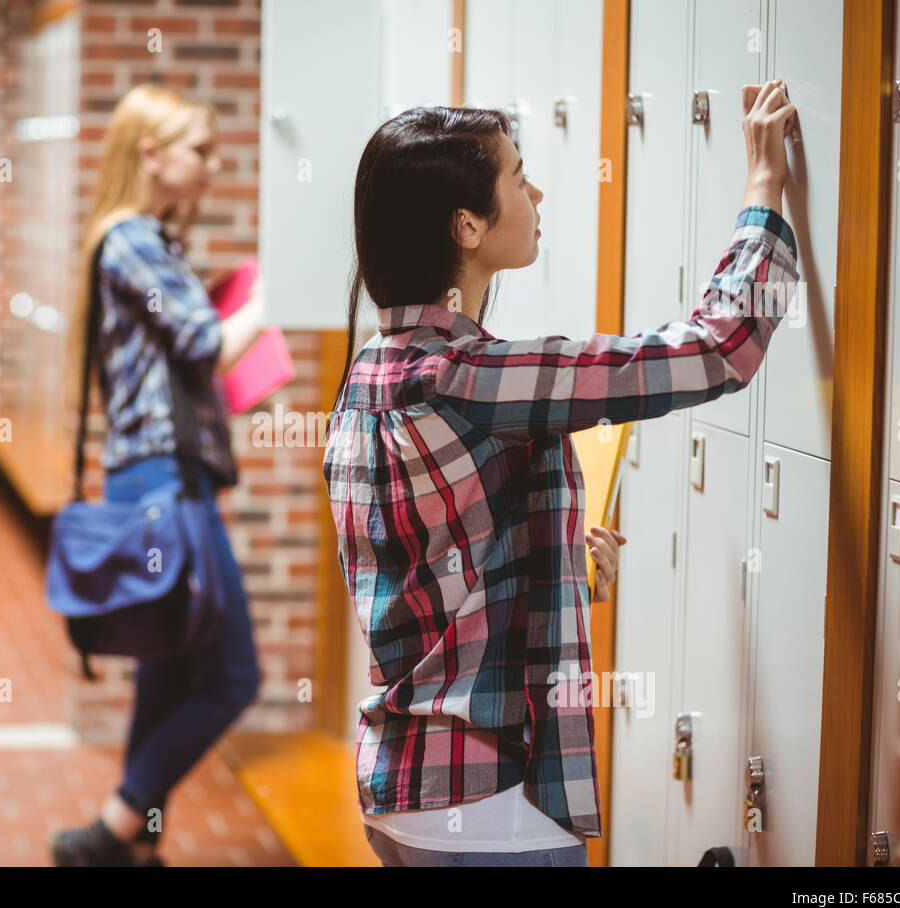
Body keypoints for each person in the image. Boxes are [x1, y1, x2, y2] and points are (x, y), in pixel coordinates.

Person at [322, 80, 798, 866]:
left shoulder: (368, 373)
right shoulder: (471, 378)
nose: (536, 191)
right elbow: (720, 350)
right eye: (517, 176)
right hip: (490, 812)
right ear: (467, 225)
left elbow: (426, 567)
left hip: (402, 796)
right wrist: (762, 191)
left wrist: (559, 568)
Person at [51, 84, 266, 867]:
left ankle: (135, 848)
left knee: (168, 670)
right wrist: (280, 288)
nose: (214, 165)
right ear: (150, 154)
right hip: (163, 485)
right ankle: (108, 831)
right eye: (200, 151)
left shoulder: (145, 241)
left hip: (159, 479)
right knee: (234, 674)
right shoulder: (132, 240)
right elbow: (206, 345)